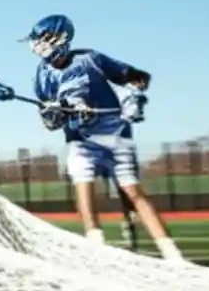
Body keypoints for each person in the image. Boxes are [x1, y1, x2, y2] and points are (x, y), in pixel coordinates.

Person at [27, 14, 183, 262]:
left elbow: (139, 77)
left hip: (115, 133)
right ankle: (97, 251)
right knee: (84, 189)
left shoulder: (90, 59)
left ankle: (172, 255)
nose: (40, 45)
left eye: (46, 38)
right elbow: (51, 123)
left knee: (132, 191)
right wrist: (54, 113)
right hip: (80, 139)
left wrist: (133, 97)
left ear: (62, 37)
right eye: (38, 40)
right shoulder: (42, 76)